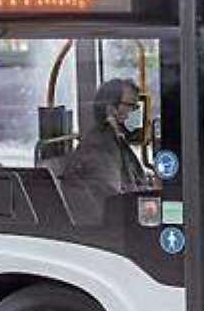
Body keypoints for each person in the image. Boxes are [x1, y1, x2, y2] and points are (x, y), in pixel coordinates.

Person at [61, 78, 153, 224]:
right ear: (111, 110)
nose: (136, 113)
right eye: (132, 106)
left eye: (137, 107)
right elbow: (114, 201)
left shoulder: (116, 140)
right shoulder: (100, 148)